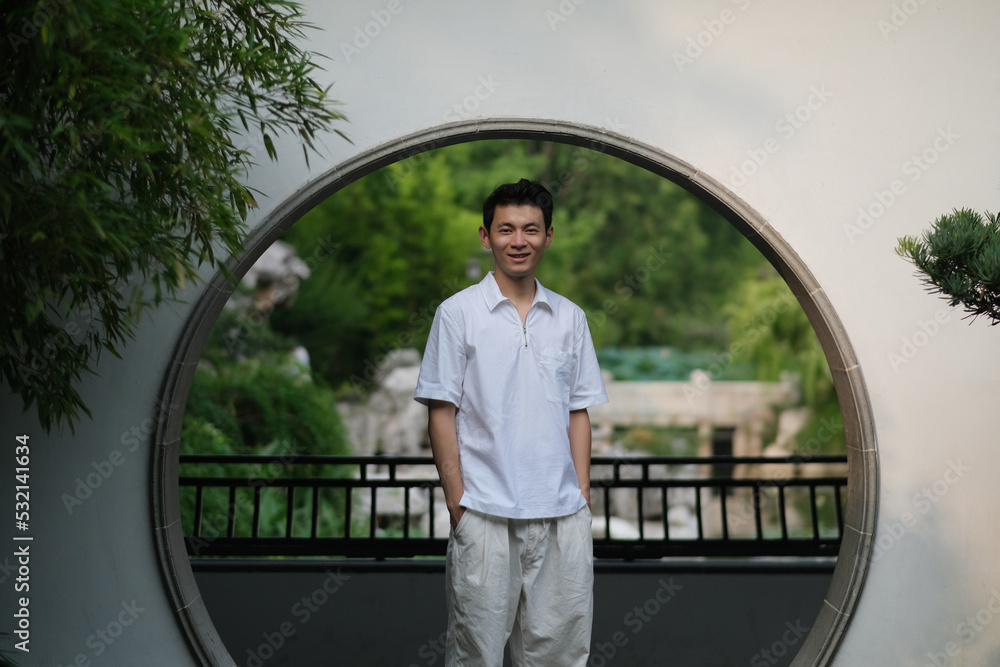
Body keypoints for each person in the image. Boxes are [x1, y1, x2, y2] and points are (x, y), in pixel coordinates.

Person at [413, 179, 609, 666]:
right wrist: (458, 502)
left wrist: (581, 495)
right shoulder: (457, 313)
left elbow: (577, 410)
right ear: (486, 236)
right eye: (506, 230)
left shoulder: (570, 317)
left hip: (562, 514)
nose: (518, 240)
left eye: (530, 230)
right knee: (475, 654)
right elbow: (442, 411)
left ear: (548, 236)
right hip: (483, 511)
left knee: (561, 657)